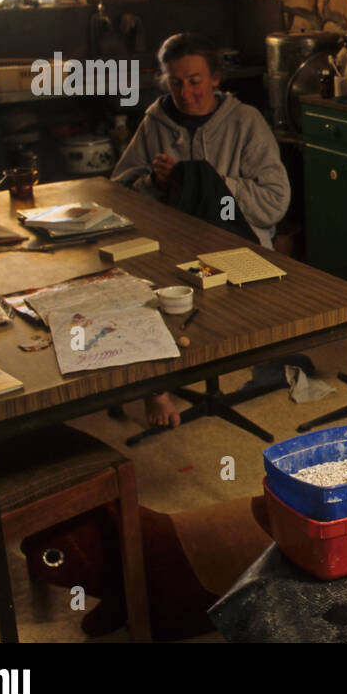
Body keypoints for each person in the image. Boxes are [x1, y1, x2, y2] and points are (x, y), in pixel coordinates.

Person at [111, 32, 291, 426]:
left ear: (215, 78)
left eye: (194, 81)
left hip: (236, 244)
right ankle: (154, 388)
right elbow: (119, 193)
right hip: (172, 244)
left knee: (212, 290)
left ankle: (178, 375)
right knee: (132, 282)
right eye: (175, 82)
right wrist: (154, 185)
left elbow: (276, 201)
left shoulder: (245, 123)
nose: (185, 92)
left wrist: (218, 183)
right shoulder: (155, 122)